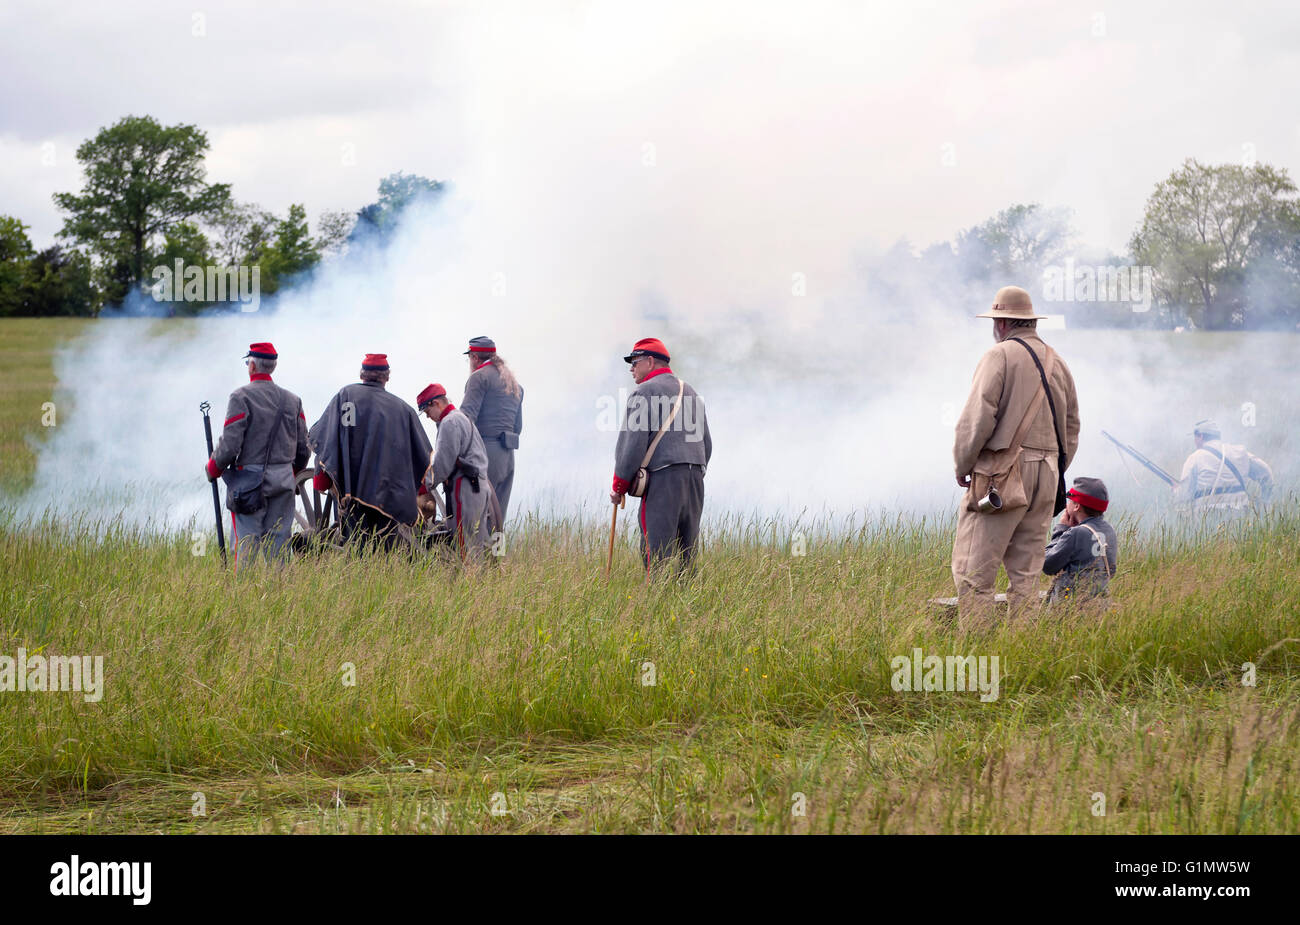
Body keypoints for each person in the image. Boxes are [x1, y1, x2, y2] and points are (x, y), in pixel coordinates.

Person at [952, 286, 1080, 627]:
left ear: (1004, 322)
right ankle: (1022, 651)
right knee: (1026, 578)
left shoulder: (1000, 356)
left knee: (973, 573)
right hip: (1049, 474)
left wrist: (963, 465)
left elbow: (977, 418)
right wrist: (1053, 466)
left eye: (995, 321)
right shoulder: (1059, 362)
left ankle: (978, 658)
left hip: (1003, 478)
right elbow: (1072, 426)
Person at [308, 354, 432, 550]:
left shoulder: (346, 396)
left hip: (352, 491)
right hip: (390, 495)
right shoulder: (403, 410)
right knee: (386, 548)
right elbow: (420, 455)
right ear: (387, 377)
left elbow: (326, 437)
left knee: (355, 548)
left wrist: (321, 478)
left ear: (362, 374)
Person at [610, 337, 712, 571]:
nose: (631, 368)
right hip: (695, 479)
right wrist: (692, 473)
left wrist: (619, 487)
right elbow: (707, 444)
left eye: (635, 362)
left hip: (663, 481)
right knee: (688, 559)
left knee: (656, 557)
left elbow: (631, 446)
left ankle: (658, 606)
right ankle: (689, 605)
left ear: (651, 361)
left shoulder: (643, 392)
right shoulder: (692, 392)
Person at [204, 342, 310, 565]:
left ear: (252, 366)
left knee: (246, 545)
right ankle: (279, 593)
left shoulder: (240, 397)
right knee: (279, 545)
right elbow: (303, 447)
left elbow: (230, 445)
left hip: (249, 483)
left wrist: (213, 467)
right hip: (283, 479)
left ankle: (243, 595)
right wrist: (293, 474)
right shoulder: (293, 400)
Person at [417, 383, 496, 562]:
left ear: (436, 403)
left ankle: (471, 583)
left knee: (464, 542)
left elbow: (443, 464)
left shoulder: (449, 423)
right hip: (478, 486)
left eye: (428, 412)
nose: (428, 417)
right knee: (478, 539)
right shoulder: (461, 418)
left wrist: (424, 486)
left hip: (465, 487)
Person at [459, 335, 524, 522]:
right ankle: (497, 551)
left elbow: (466, 419)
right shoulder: (515, 384)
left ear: (474, 358)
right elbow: (517, 427)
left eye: (469, 357)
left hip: (485, 453)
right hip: (508, 455)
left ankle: (475, 553)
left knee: (477, 516)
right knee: (498, 518)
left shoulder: (478, 378)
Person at [1043, 477, 1118, 605]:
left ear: (1077, 506)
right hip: (1100, 604)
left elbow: (1048, 565)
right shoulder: (1109, 530)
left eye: (1070, 501)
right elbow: (1112, 570)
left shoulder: (1076, 533)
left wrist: (1061, 529)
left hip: (1070, 607)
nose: (1067, 505)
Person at [1174, 420, 1274, 513]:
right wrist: (1264, 502)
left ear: (1200, 436)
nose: (1194, 442)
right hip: (1240, 516)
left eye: (1195, 437)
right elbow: (1266, 474)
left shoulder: (1194, 458)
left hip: (1207, 516)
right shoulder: (1240, 452)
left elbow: (1183, 495)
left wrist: (1176, 490)